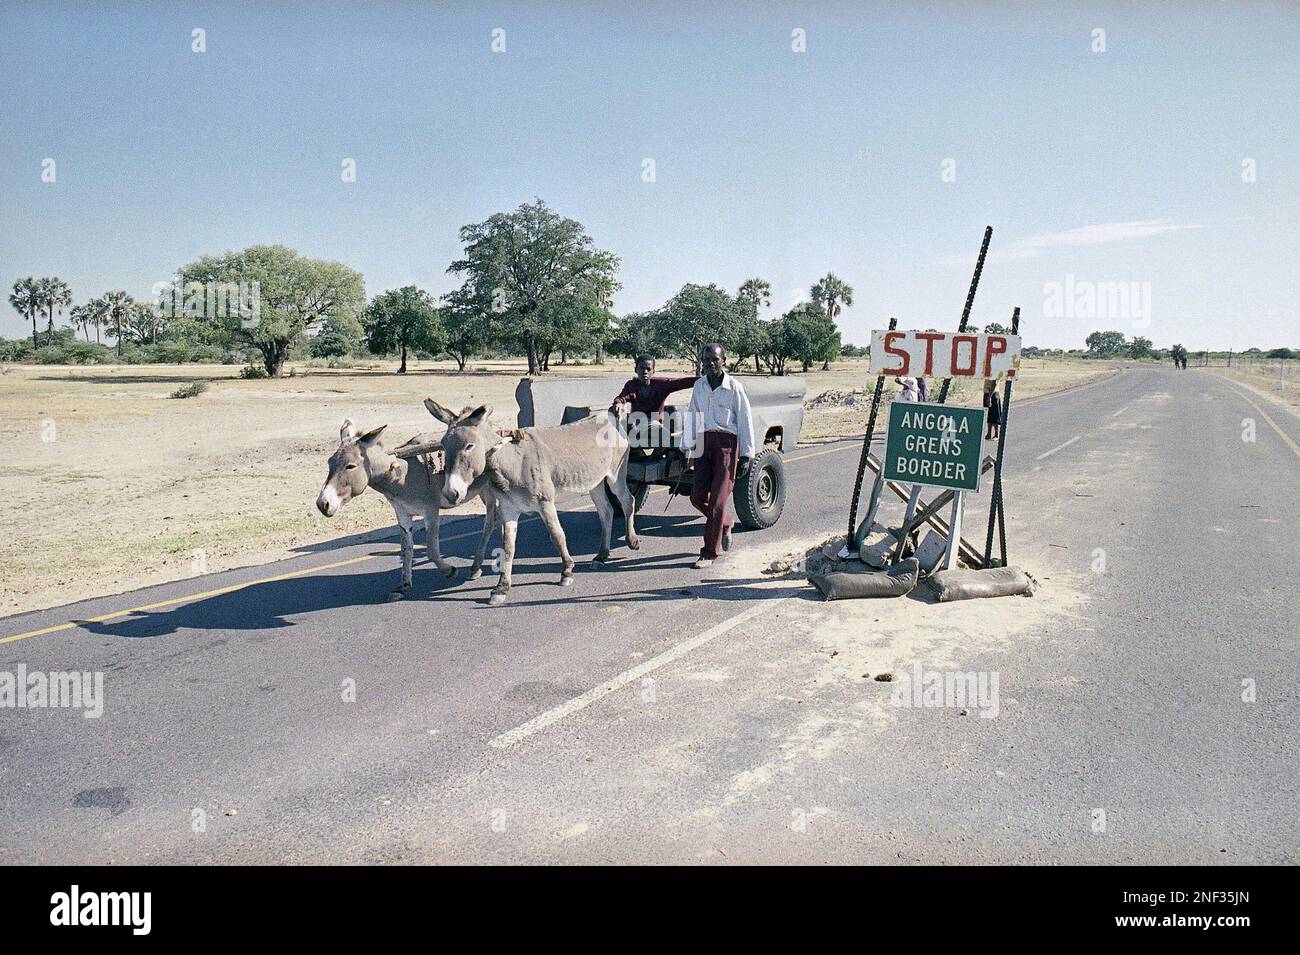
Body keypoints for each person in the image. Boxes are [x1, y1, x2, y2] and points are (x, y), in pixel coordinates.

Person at [685, 343, 754, 569]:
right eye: (706, 360)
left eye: (714, 360)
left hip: (726, 445)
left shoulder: (734, 387)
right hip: (703, 445)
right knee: (696, 497)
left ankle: (709, 553)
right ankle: (725, 522)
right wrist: (688, 449)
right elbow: (693, 416)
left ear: (724, 360)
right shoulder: (699, 386)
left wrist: (746, 455)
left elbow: (745, 420)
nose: (710, 364)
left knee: (717, 501)